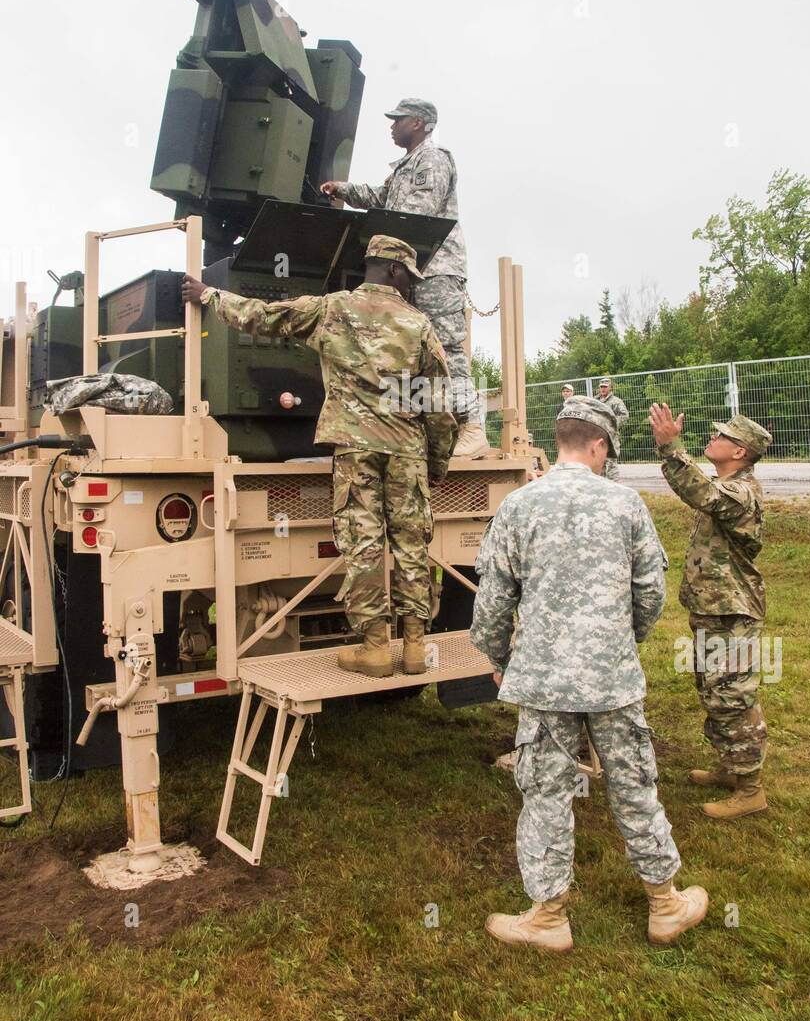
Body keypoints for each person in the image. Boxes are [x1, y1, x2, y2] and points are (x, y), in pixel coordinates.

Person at [470, 396, 708, 951]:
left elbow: (491, 606)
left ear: (563, 440)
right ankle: (665, 904)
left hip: (544, 680)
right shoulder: (626, 505)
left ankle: (548, 918)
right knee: (634, 785)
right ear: (599, 445)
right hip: (613, 679)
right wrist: (621, 644)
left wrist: (504, 664)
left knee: (546, 792)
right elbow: (650, 593)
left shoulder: (519, 505)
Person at [181, 235, 457, 679]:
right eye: (408, 274)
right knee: (410, 545)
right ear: (391, 269)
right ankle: (414, 647)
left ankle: (373, 649)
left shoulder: (332, 309)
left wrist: (209, 294)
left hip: (357, 450)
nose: (411, 283)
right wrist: (438, 462)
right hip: (407, 453)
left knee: (364, 545)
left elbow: (264, 317)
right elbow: (438, 404)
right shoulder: (418, 325)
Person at [320, 98, 488, 459]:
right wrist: (344, 190)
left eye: (399, 120)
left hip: (436, 270)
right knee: (412, 351)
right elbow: (382, 198)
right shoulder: (402, 169)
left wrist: (370, 233)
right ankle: (415, 427)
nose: (392, 126)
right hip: (411, 272)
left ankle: (471, 425)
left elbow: (416, 214)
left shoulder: (432, 159)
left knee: (447, 347)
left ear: (420, 123)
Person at [649, 405, 772, 820]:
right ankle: (730, 767)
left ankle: (750, 789)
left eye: (722, 436)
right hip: (713, 611)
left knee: (733, 696)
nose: (713, 438)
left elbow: (699, 491)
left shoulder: (742, 493)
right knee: (713, 690)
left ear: (740, 452)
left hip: (732, 614)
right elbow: (699, 490)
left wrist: (670, 447)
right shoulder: (730, 486)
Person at [597, 376, 629, 480]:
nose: (603, 389)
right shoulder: (595, 401)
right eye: (601, 387)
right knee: (599, 465)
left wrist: (612, 426)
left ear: (610, 388)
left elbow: (624, 415)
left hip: (611, 439)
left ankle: (615, 489)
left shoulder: (616, 401)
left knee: (611, 466)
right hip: (598, 439)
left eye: (605, 387)